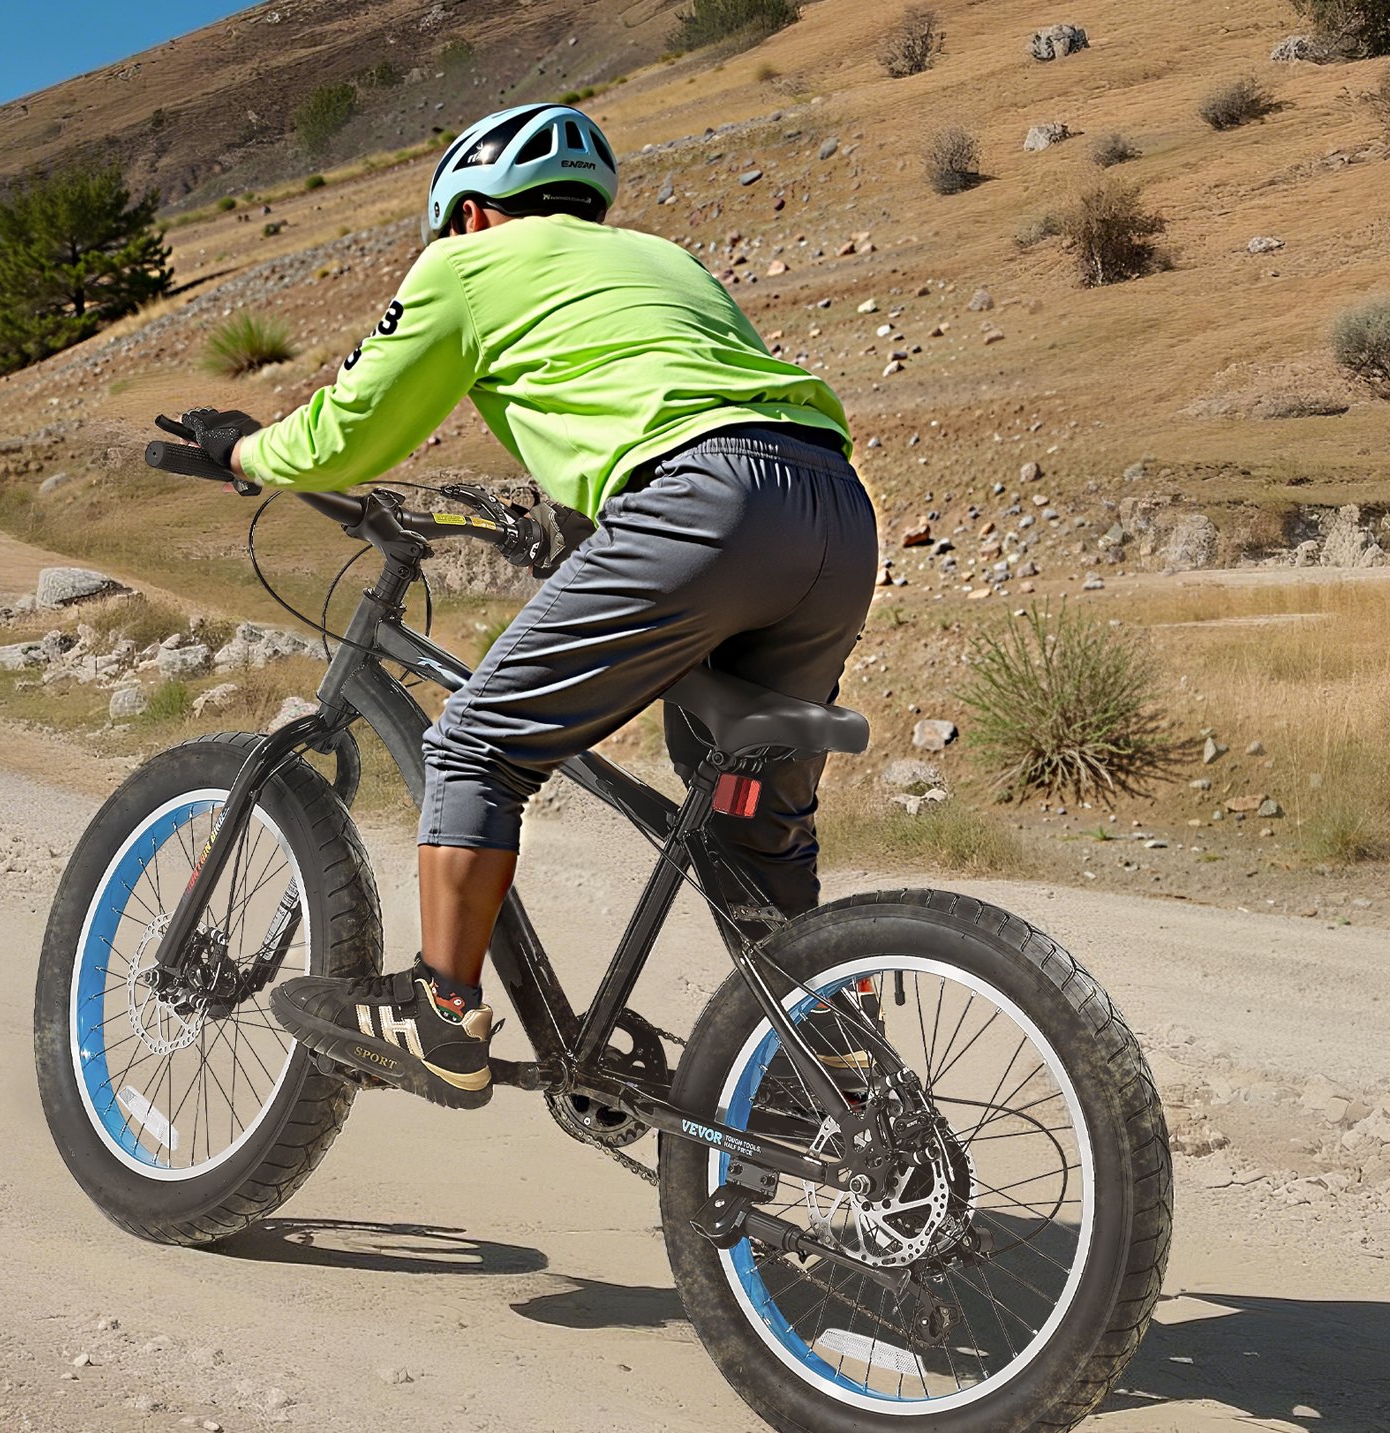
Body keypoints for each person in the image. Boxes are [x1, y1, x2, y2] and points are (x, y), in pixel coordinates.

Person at [182, 102, 877, 1110]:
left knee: (470, 747)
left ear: (468, 214)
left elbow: (352, 429)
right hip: (828, 509)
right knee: (745, 808)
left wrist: (245, 452)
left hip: (702, 503)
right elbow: (666, 392)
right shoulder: (661, 261)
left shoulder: (464, 266)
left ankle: (439, 1012)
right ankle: (830, 1070)